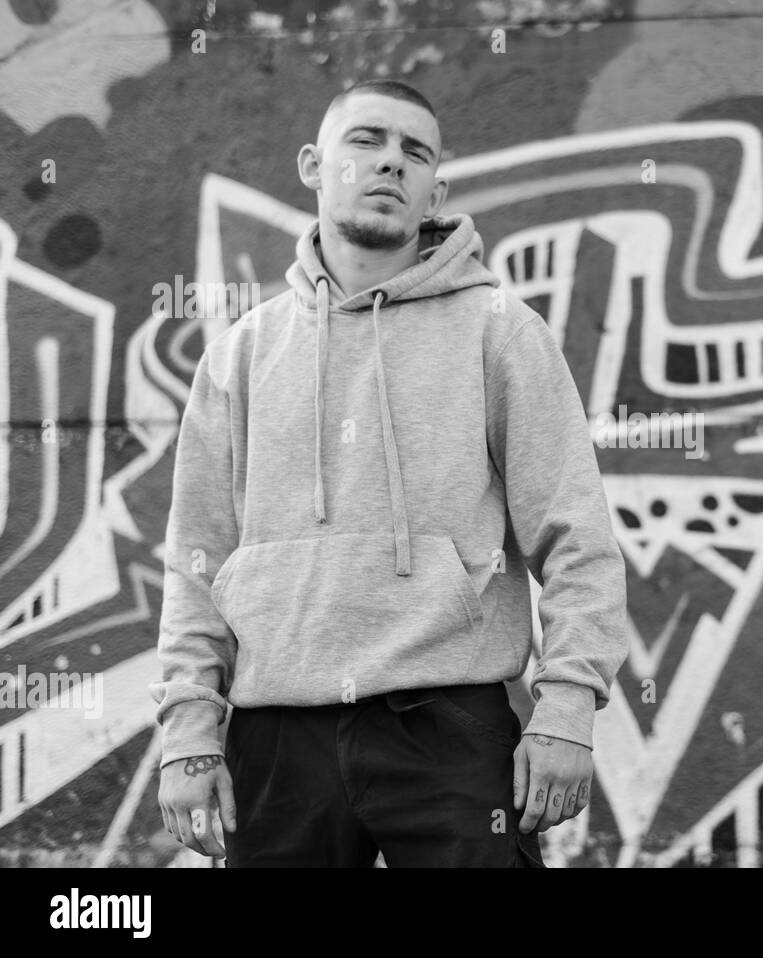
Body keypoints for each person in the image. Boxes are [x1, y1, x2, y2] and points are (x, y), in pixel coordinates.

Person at [150, 79, 629, 867]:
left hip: (451, 729)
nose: (391, 164)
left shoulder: (500, 331)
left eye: (415, 153)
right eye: (367, 141)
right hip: (277, 734)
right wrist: (190, 733)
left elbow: (576, 537)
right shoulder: (242, 352)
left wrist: (567, 709)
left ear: (435, 188)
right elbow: (196, 558)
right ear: (314, 164)